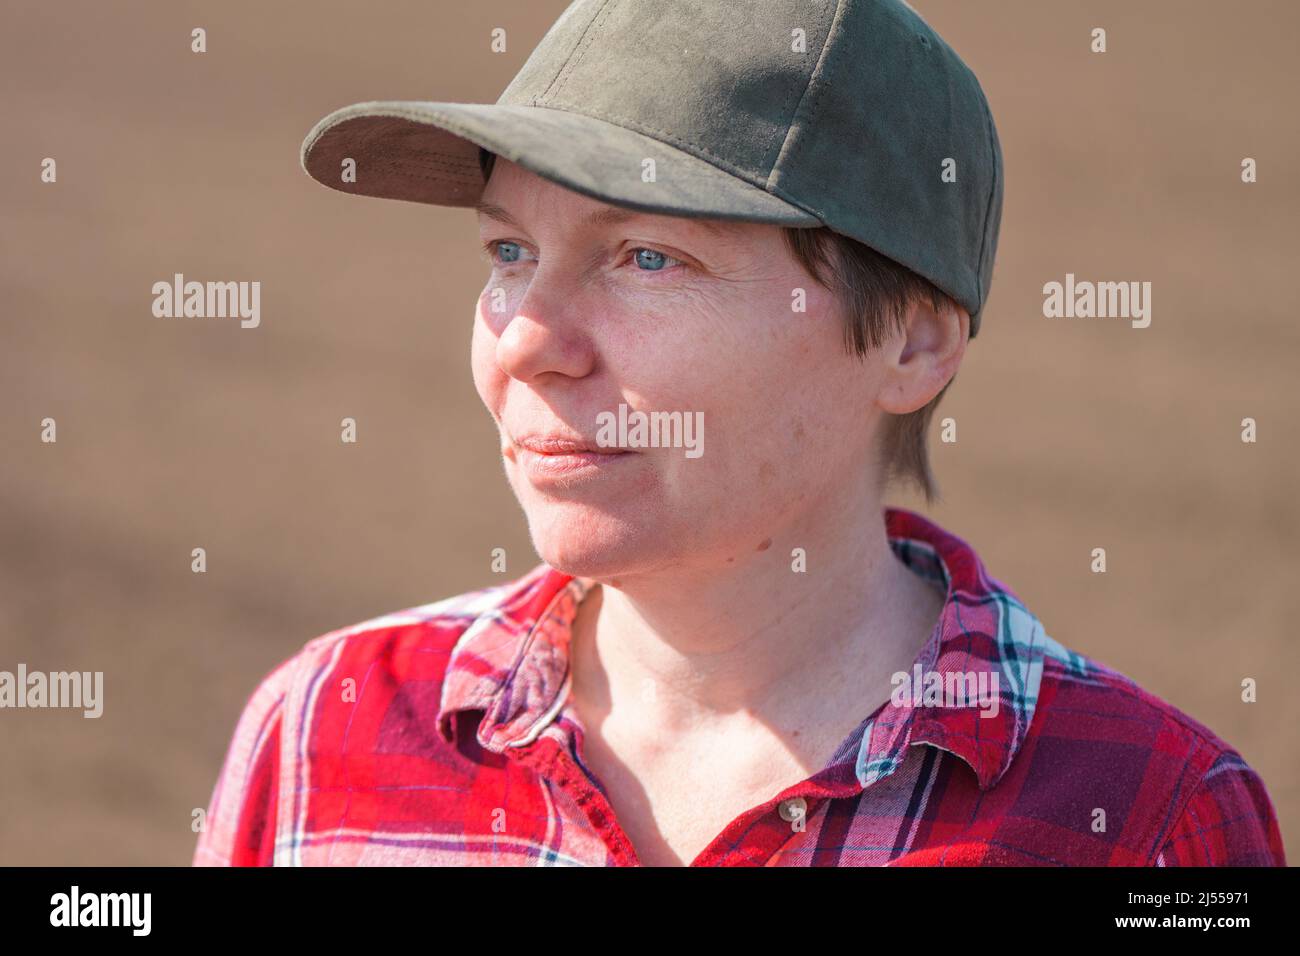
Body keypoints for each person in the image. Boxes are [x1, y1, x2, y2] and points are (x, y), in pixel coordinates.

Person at [194, 0, 1285, 866]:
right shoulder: (322, 736)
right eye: (509, 252)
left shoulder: (1145, 819)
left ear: (912, 341)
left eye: (648, 258)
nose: (527, 339)